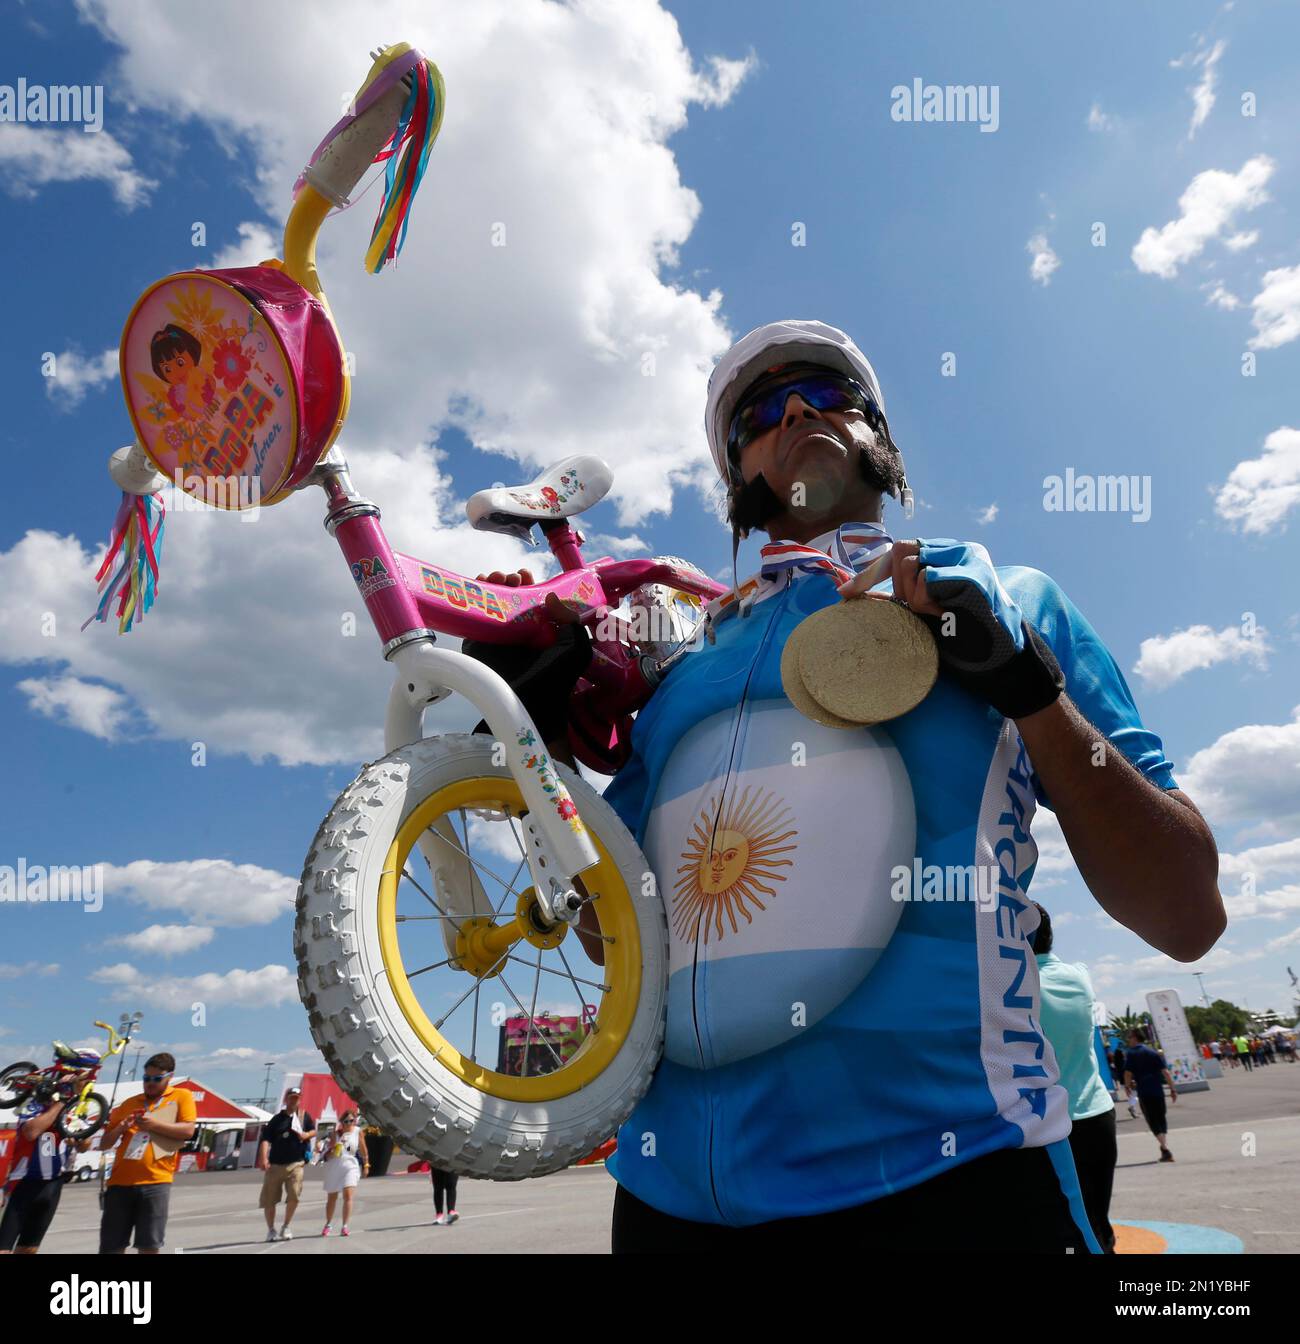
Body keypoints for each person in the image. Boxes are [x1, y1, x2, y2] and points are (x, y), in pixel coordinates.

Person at [470, 319, 1225, 1253]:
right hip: (666, 1207)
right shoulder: (683, 671)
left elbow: (1187, 915)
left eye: (827, 395)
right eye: (759, 411)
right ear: (738, 474)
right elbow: (608, 935)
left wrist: (1028, 685)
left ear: (879, 436)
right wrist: (541, 745)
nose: (794, 411)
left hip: (951, 1184)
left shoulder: (1010, 595)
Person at [1031, 905, 1117, 1252]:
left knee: (1066, 1231)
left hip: (1051, 1124)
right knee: (1098, 1221)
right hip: (1098, 1113)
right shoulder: (1079, 975)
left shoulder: (1013, 985)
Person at [96, 1052, 197, 1254]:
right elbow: (104, 1144)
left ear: (169, 1077)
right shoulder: (129, 1103)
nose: (150, 1083)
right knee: (111, 1246)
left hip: (156, 1182)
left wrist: (153, 1125)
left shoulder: (181, 1097)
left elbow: (188, 1131)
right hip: (119, 1183)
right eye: (146, 1078)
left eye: (156, 1079)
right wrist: (120, 1128)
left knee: (149, 1245)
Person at [257, 1087, 316, 1242]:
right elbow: (265, 1139)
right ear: (286, 1099)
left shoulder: (303, 1116)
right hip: (276, 1164)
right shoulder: (277, 1119)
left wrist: (306, 1135)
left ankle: (286, 1225)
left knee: (294, 1195)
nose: (294, 1100)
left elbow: (313, 1131)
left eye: (297, 1097)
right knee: (270, 1199)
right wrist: (264, 1158)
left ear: (300, 1099)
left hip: (296, 1163)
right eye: (291, 1097)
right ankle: (271, 1229)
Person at [1123, 1030, 1177, 1163]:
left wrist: (1127, 1086)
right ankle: (1164, 1149)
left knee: (1152, 1120)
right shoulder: (1153, 1052)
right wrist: (1172, 1089)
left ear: (1135, 1038)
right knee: (1161, 1118)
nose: (1128, 1040)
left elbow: (1128, 1073)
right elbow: (1166, 1072)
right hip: (1158, 1091)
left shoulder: (1132, 1053)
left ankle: (1165, 1149)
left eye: (1129, 1037)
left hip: (1144, 1092)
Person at [321, 1111, 368, 1237]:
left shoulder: (358, 1132)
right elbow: (327, 1152)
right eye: (346, 1121)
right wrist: (333, 1150)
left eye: (351, 1121)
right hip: (334, 1167)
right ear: (342, 1123)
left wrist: (366, 1165)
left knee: (348, 1196)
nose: (349, 1123)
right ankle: (328, 1224)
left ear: (355, 1121)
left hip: (351, 1166)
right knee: (332, 1198)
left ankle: (345, 1226)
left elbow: (363, 1150)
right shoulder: (335, 1134)